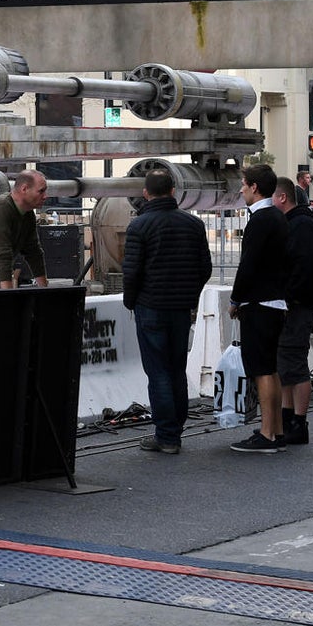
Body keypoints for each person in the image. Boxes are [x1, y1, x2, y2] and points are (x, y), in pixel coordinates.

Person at [121, 169, 212, 455]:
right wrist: (190, 294)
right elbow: (205, 268)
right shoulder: (193, 224)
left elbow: (132, 271)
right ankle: (176, 427)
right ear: (173, 191)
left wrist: (131, 300)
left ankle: (167, 435)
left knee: (157, 371)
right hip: (181, 308)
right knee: (176, 369)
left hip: (150, 307)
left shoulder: (140, 226)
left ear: (146, 193)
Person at [228, 163, 290, 454]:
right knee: (271, 369)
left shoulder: (261, 219)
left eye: (243, 184)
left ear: (254, 187)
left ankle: (266, 434)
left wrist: (235, 299)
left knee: (261, 369)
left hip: (259, 302)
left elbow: (248, 264)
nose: (240, 189)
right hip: (277, 301)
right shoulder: (277, 217)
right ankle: (276, 429)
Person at [272, 176, 313, 445]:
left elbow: (301, 268)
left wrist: (288, 301)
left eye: (272, 196)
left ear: (282, 198)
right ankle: (289, 418)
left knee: (295, 365)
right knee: (287, 365)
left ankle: (298, 423)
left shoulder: (300, 225)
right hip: (296, 304)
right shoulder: (298, 223)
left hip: (296, 306)